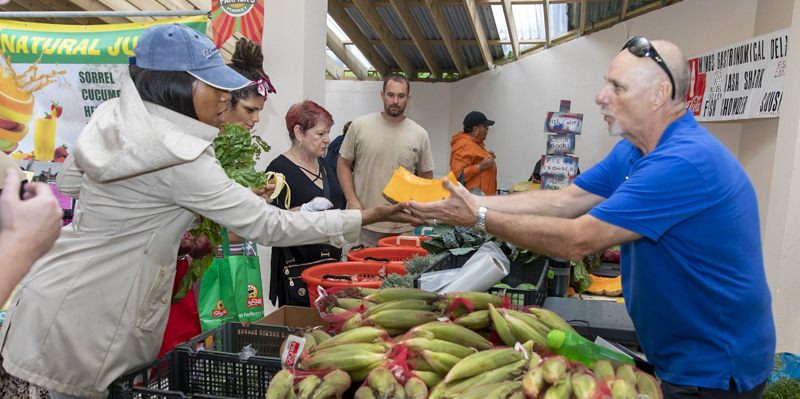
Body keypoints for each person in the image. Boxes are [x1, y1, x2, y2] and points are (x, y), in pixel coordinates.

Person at [0, 23, 418, 399]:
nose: (225, 98)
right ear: (180, 86)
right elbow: (267, 224)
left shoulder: (115, 116)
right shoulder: (180, 154)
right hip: (93, 324)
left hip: (50, 302)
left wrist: (162, 230)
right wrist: (367, 216)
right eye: (213, 86)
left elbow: (75, 185)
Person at [409, 37, 774, 399]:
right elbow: (564, 201)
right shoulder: (633, 151)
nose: (601, 96)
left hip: (713, 368)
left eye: (617, 86)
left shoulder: (683, 162)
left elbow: (576, 239)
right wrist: (469, 202)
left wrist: (478, 217)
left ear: (659, 95)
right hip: (678, 354)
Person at [157, 37, 277, 359]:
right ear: (225, 101)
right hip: (194, 264)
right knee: (196, 340)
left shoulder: (234, 147)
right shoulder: (196, 144)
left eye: (259, 111)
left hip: (227, 257)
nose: (255, 119)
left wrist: (247, 199)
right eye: (250, 110)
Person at [338, 73, 434, 247]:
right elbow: (343, 164)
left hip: (402, 229)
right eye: (391, 95)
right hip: (363, 223)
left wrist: (420, 209)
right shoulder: (360, 126)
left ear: (408, 98)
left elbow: (426, 176)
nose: (395, 101)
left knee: (402, 274)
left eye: (401, 96)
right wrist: (351, 199)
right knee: (359, 273)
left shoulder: (420, 134)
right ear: (382, 95)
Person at [265, 100, 346, 307]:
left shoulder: (323, 164)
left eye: (328, 133)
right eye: (320, 134)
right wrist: (304, 211)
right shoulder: (278, 171)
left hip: (329, 269)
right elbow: (271, 222)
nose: (327, 140)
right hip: (299, 273)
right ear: (299, 132)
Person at [449, 111, 497, 195]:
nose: (487, 129)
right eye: (485, 126)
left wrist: (487, 156)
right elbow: (457, 175)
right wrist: (480, 166)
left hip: (482, 200)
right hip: (473, 201)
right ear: (476, 129)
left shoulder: (475, 144)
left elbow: (475, 157)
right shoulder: (464, 144)